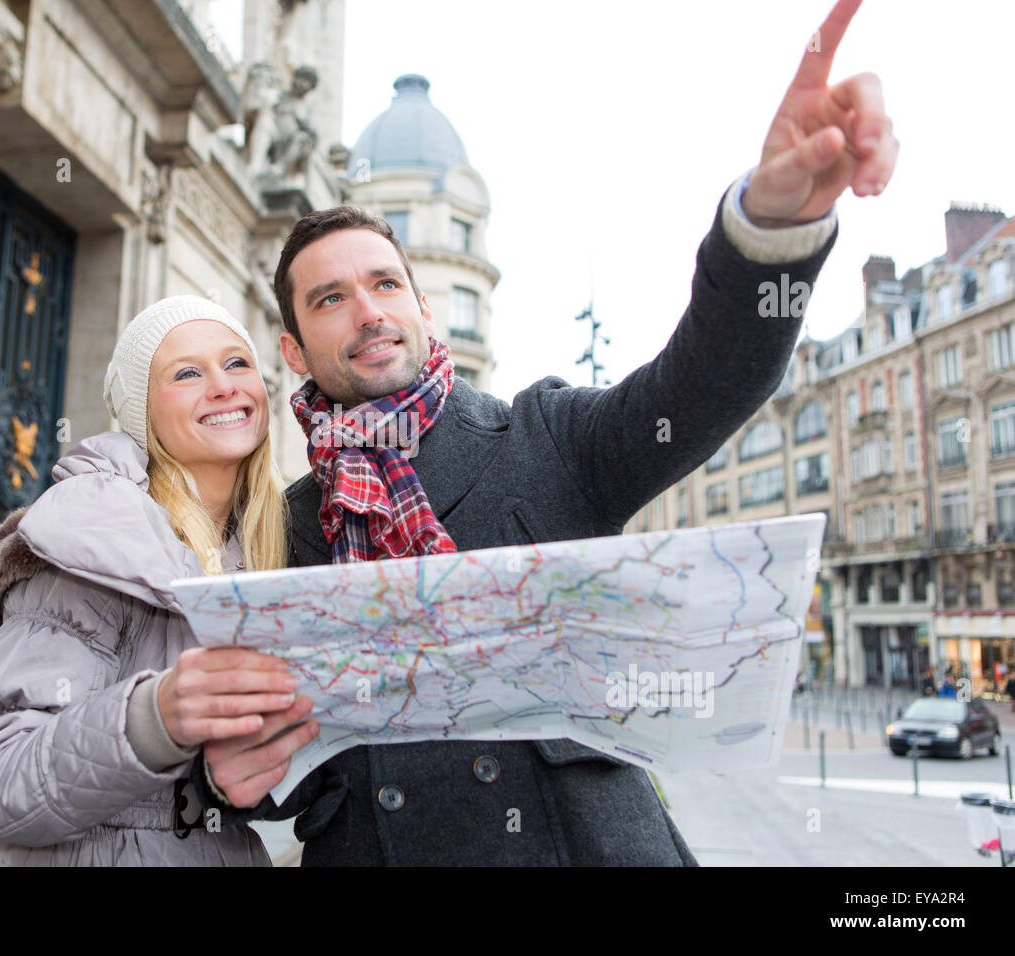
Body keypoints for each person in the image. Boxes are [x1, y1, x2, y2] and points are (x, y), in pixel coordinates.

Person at [177, 0, 899, 866]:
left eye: (384, 284)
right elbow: (265, 754)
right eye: (331, 298)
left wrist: (772, 228)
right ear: (292, 345)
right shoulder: (283, 525)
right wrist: (231, 774)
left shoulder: (545, 437)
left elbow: (704, 385)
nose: (367, 312)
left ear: (422, 307)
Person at [0, 295, 303, 865]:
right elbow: (1, 781)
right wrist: (155, 717)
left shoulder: (270, 547)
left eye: (238, 363)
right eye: (187, 373)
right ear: (142, 410)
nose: (223, 387)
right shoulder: (94, 534)